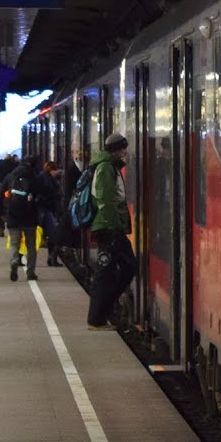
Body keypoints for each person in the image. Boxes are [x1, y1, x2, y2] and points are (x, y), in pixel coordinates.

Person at [87, 134, 134, 330]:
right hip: (108, 228)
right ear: (117, 149)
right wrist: (114, 228)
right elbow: (106, 200)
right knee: (112, 271)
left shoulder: (109, 166)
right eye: (123, 149)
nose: (125, 152)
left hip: (109, 228)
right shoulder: (106, 167)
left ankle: (100, 314)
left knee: (116, 270)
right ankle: (96, 319)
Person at [3, 155, 47, 282]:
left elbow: (2, 193)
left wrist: (3, 213)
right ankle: (30, 272)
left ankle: (15, 261)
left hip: (13, 216)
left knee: (14, 244)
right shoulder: (35, 177)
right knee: (31, 246)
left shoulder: (11, 176)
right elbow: (42, 194)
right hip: (30, 217)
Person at [37, 160, 61, 266]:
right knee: (53, 235)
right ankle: (52, 259)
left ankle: (52, 258)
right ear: (51, 170)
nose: (56, 172)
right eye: (55, 170)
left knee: (48, 235)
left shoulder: (43, 177)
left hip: (44, 209)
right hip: (47, 210)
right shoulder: (48, 179)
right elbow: (50, 193)